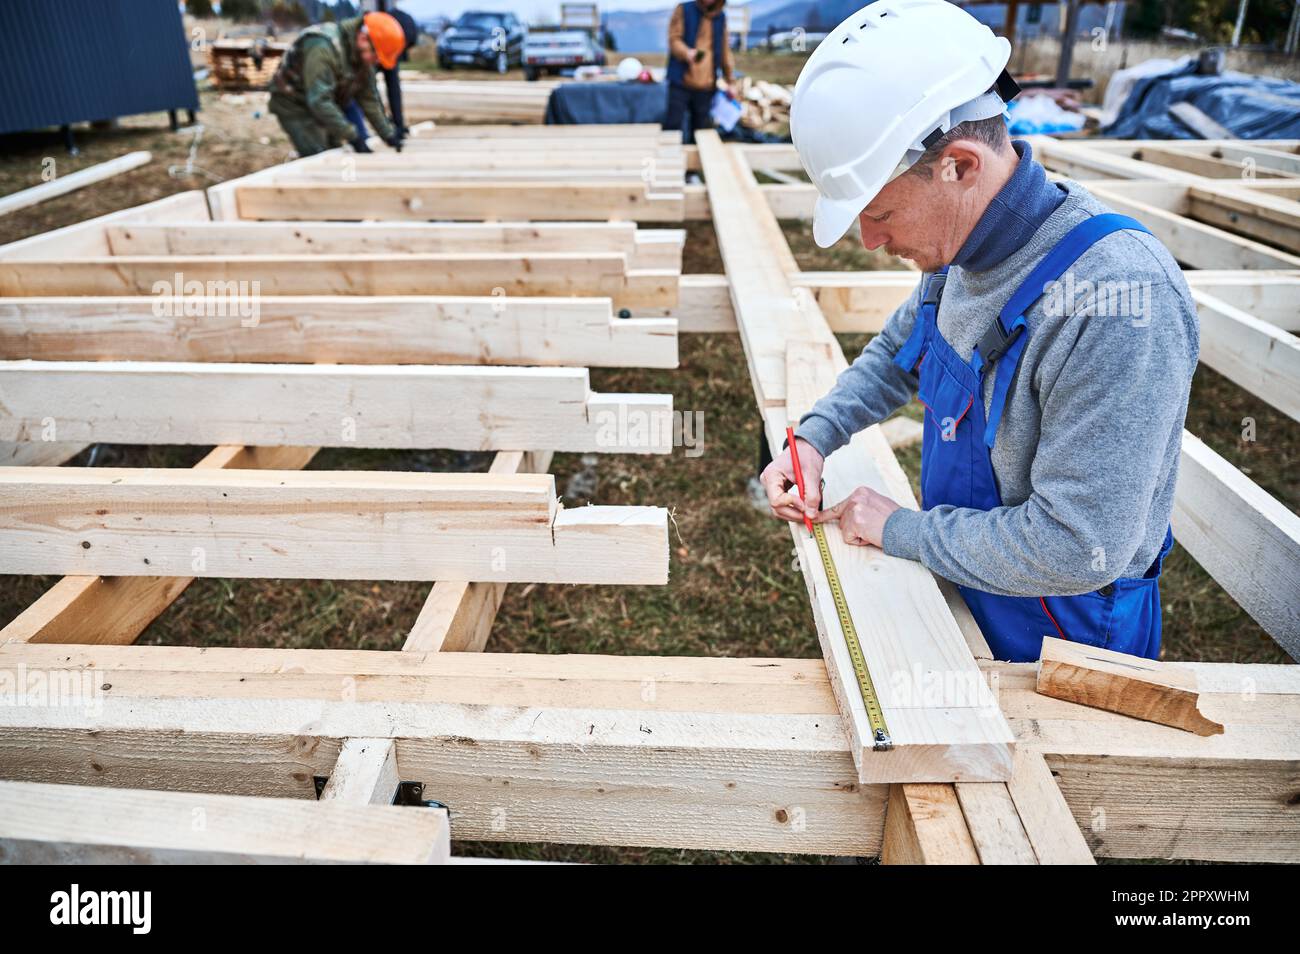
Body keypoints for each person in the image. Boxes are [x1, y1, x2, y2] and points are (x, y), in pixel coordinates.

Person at [760, 1, 1199, 663]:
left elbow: (1079, 546)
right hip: (969, 587)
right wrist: (815, 438)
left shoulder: (1115, 303)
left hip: (1067, 644)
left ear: (960, 166)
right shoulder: (966, 246)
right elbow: (896, 356)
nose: (871, 240)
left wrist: (902, 530)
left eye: (879, 214)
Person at [268, 12, 406, 157]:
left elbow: (369, 99)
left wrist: (388, 134)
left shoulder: (362, 59)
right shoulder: (323, 47)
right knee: (318, 154)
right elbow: (319, 100)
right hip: (293, 104)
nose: (376, 62)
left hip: (322, 101)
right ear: (363, 39)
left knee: (334, 150)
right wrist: (353, 136)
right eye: (376, 56)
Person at [663, 0, 736, 144]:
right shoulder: (684, 9)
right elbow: (674, 39)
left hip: (706, 85)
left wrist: (730, 81)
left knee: (700, 131)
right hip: (681, 81)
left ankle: (694, 166)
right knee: (673, 125)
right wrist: (686, 53)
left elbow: (724, 51)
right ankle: (667, 162)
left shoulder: (720, 17)